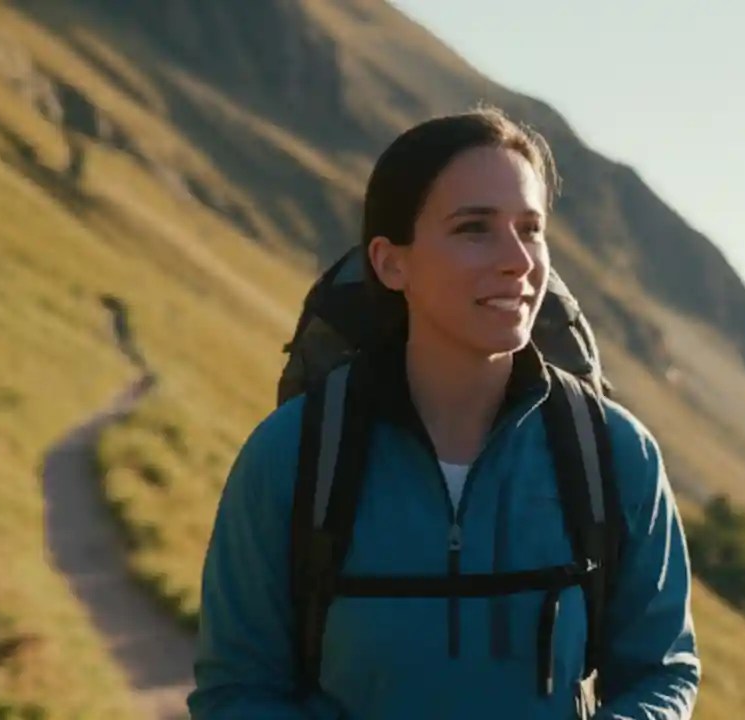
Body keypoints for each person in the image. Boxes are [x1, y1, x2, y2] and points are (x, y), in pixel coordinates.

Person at [187, 107, 700, 719]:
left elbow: (661, 673)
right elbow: (237, 690)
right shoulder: (292, 457)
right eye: (474, 228)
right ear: (390, 262)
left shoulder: (614, 453)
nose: (519, 260)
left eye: (531, 229)